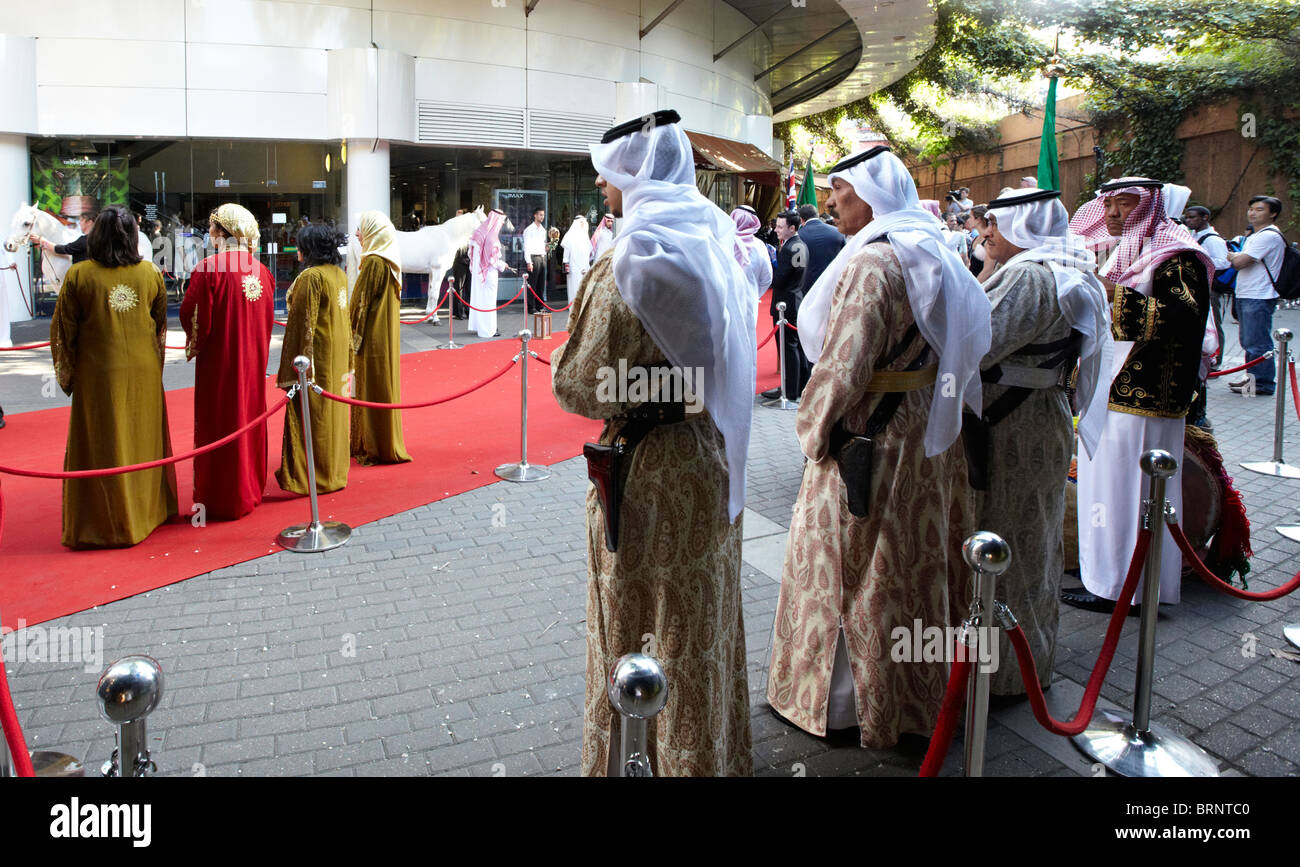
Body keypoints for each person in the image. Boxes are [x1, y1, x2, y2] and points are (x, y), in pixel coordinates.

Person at [551, 109, 756, 776]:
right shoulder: (714, 240)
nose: (603, 191)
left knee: (644, 623)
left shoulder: (630, 261)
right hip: (709, 450)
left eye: (607, 178)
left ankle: (639, 763)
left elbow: (579, 384)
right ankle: (705, 757)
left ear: (631, 174)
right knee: (698, 624)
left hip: (647, 474)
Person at [768, 145, 991, 748]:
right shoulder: (937, 250)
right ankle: (917, 696)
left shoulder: (873, 264)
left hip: (869, 437)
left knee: (854, 565)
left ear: (867, 193)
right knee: (910, 567)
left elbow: (844, 366)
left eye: (841, 188)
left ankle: (844, 705)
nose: (833, 199)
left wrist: (812, 430)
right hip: (924, 430)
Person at [972, 188, 1109, 695]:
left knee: (1008, 543)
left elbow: (975, 344)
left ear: (1022, 228)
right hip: (1035, 418)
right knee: (1032, 541)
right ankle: (1025, 658)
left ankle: (1003, 674)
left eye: (994, 224)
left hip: (1015, 427)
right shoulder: (1062, 267)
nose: (985, 231)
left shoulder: (1031, 276)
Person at [1065, 178, 1213, 613]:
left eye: (1124, 205)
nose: (1111, 214)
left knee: (1131, 489)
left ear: (1150, 208)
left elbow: (1183, 322)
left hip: (1144, 397)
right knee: (1106, 485)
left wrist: (1114, 296)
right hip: (1111, 391)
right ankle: (1104, 572)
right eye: (1108, 204)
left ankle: (1123, 588)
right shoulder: (1132, 253)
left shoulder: (1178, 256)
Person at [51, 205, 178, 547]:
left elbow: (64, 331)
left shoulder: (79, 276)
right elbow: (160, 325)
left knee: (102, 440)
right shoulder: (150, 273)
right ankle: (147, 512)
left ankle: (102, 520)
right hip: (143, 370)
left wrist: (68, 372)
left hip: (98, 373)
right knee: (142, 436)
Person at [180, 204, 274, 521]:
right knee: (248, 418)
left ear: (222, 233)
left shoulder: (209, 269)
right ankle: (250, 486)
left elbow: (195, 318)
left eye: (212, 229)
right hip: (253, 362)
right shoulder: (262, 271)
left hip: (220, 364)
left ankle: (222, 496)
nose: (209, 234)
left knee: (220, 421)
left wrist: (195, 343)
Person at [276, 224, 351, 495]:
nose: (297, 249)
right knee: (331, 414)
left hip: (315, 360)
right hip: (337, 356)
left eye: (300, 245)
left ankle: (314, 474)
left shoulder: (312, 276)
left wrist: (293, 370)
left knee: (315, 413)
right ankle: (334, 468)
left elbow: (301, 325)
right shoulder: (338, 274)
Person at [348, 210, 411, 465]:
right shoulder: (389, 261)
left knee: (371, 386)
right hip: (383, 337)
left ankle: (372, 444)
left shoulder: (374, 262)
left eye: (361, 229)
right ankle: (382, 440)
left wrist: (349, 334)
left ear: (373, 232)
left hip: (371, 339)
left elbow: (359, 304)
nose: (357, 234)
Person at [1226, 195, 1286, 396]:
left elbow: (1240, 262)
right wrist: (1236, 256)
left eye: (1259, 209)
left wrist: (1231, 255)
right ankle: (1252, 380)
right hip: (1249, 293)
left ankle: (1261, 383)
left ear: (1273, 213)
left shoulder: (1268, 236)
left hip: (1259, 295)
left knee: (1257, 341)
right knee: (1248, 341)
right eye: (1251, 208)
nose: (1252, 213)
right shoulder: (1256, 235)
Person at [762, 209, 810, 402]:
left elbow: (779, 279)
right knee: (796, 347)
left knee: (788, 348)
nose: (776, 230)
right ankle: (800, 386)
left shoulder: (789, 248)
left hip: (785, 303)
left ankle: (789, 391)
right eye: (776, 226)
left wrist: (772, 264)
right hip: (796, 299)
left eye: (781, 227)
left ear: (792, 228)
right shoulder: (801, 245)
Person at [1183, 205, 1232, 369]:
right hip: (1196, 286)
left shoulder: (1212, 239)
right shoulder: (1194, 236)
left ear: (1205, 217)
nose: (1189, 220)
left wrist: (1198, 263)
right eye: (1187, 217)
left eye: (1192, 217)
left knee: (1214, 323)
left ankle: (1216, 360)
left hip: (1210, 287)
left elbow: (1224, 262)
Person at [467, 208, 511, 338]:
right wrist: (503, 265)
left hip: (478, 273)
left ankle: (480, 327)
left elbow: (471, 254)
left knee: (479, 300)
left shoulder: (479, 232)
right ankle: (488, 330)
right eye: (502, 221)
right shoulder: (492, 237)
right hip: (488, 274)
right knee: (488, 302)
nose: (502, 224)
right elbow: (492, 260)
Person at [794, 202, 844, 300]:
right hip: (833, 285)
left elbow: (796, 266)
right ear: (817, 215)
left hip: (807, 288)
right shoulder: (837, 232)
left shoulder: (798, 236)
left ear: (801, 219)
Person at [730, 205, 772, 297]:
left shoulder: (722, 242)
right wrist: (754, 295)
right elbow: (767, 278)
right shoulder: (759, 246)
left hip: (725, 303)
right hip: (749, 302)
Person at [522, 206, 548, 314]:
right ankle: (531, 307)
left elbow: (543, 244)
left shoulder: (543, 230)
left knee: (541, 284)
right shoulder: (529, 230)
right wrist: (529, 261)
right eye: (540, 215)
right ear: (535, 215)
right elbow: (526, 247)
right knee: (532, 284)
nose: (542, 217)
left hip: (542, 257)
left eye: (543, 215)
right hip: (533, 258)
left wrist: (546, 248)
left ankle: (540, 306)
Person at [561, 215, 592, 303]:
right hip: (574, 267)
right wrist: (566, 265)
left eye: (584, 222)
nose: (583, 224)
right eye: (581, 222)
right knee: (574, 288)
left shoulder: (585, 236)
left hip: (585, 267)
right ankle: (573, 307)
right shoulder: (569, 236)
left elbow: (588, 253)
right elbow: (566, 254)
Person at [450, 208, 471, 319]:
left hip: (469, 261)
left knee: (468, 287)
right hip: (459, 261)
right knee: (459, 287)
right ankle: (458, 312)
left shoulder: (470, 230)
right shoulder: (456, 230)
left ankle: (468, 310)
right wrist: (457, 218)